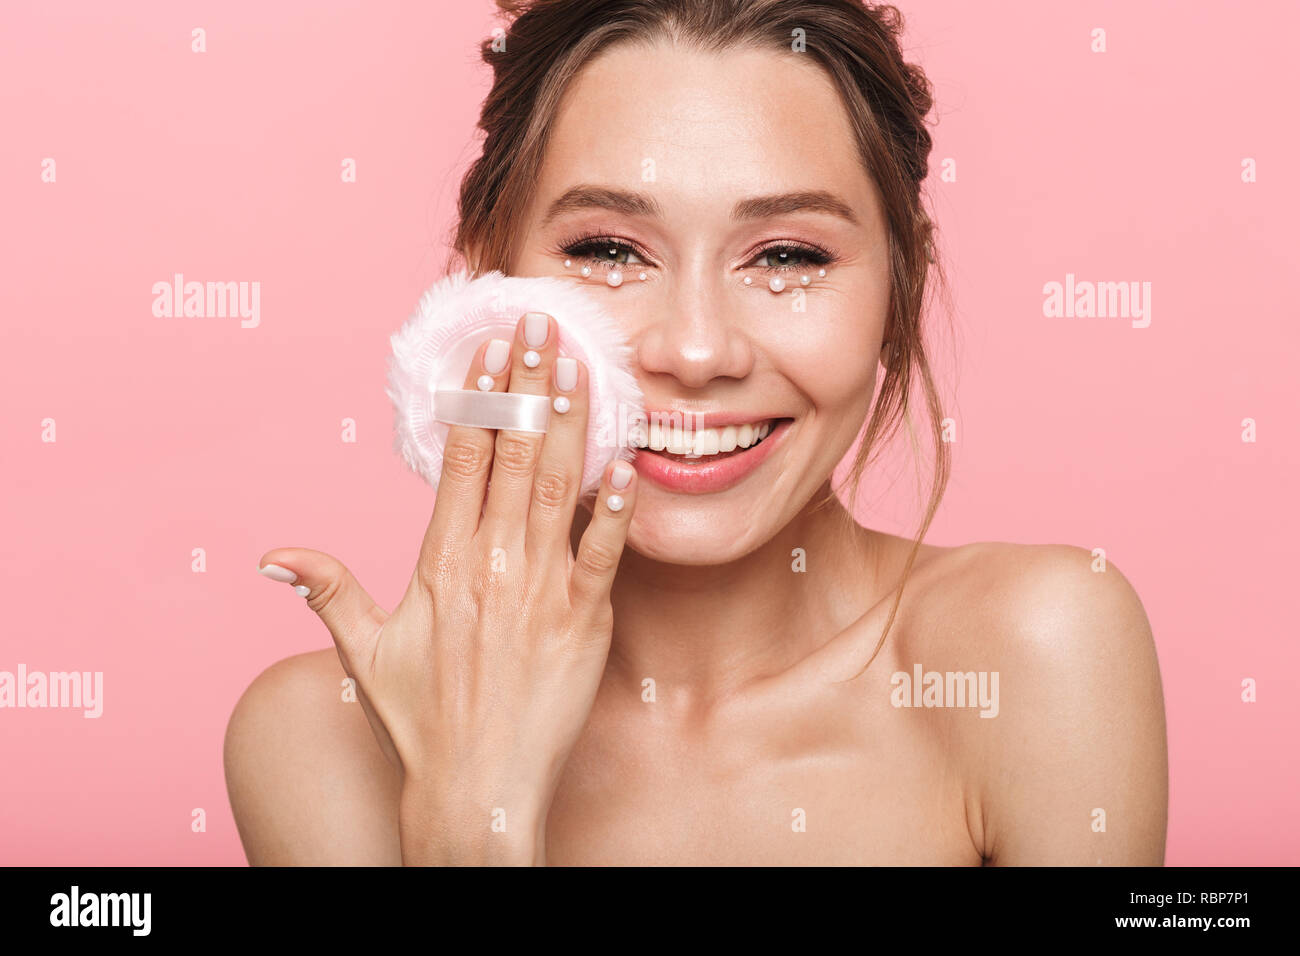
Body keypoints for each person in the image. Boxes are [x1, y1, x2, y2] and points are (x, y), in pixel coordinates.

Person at [224, 0, 1168, 865]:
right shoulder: (325, 737)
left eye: (790, 255)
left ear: (898, 290)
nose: (697, 348)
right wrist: (474, 809)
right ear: (479, 288)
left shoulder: (1035, 651)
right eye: (609, 250)